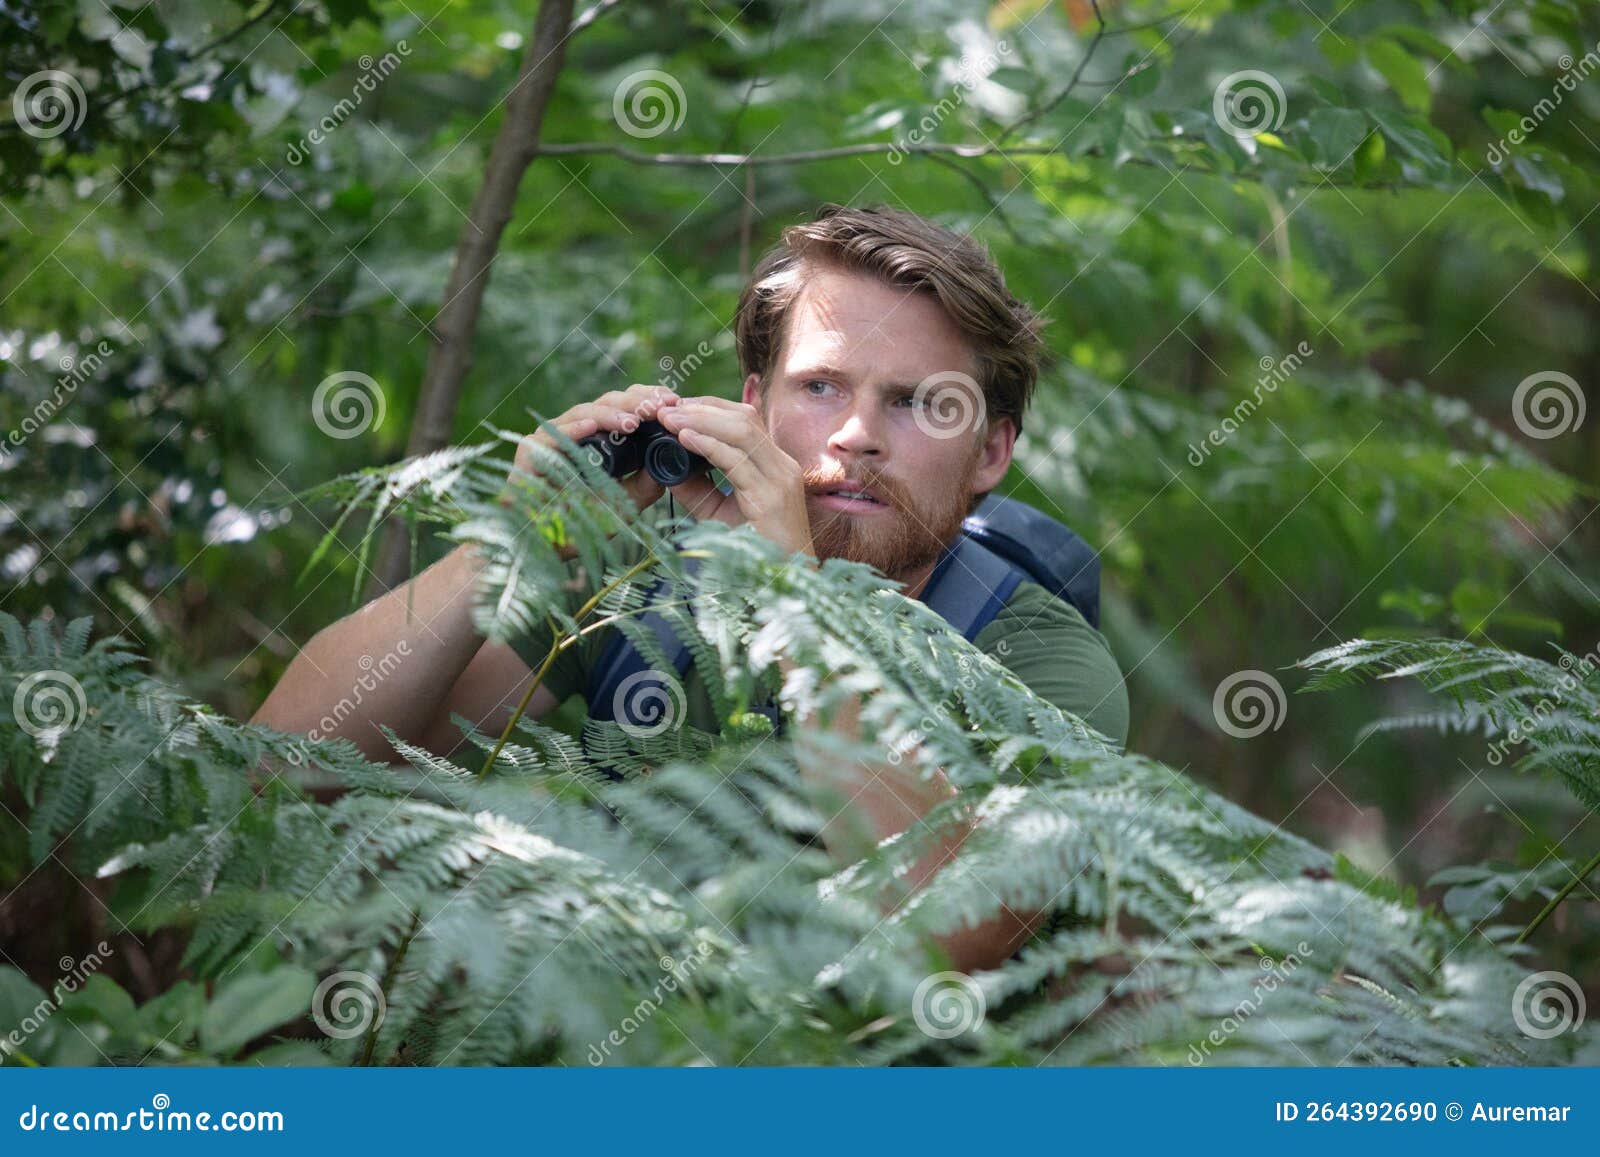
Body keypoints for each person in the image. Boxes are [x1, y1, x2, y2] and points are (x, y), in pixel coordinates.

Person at [252, 203, 1129, 970]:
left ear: (991, 450)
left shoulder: (1042, 661)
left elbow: (952, 939)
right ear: (756, 402)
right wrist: (506, 548)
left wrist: (797, 601)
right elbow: (273, 777)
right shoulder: (644, 572)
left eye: (917, 403)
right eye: (820, 386)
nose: (858, 434)